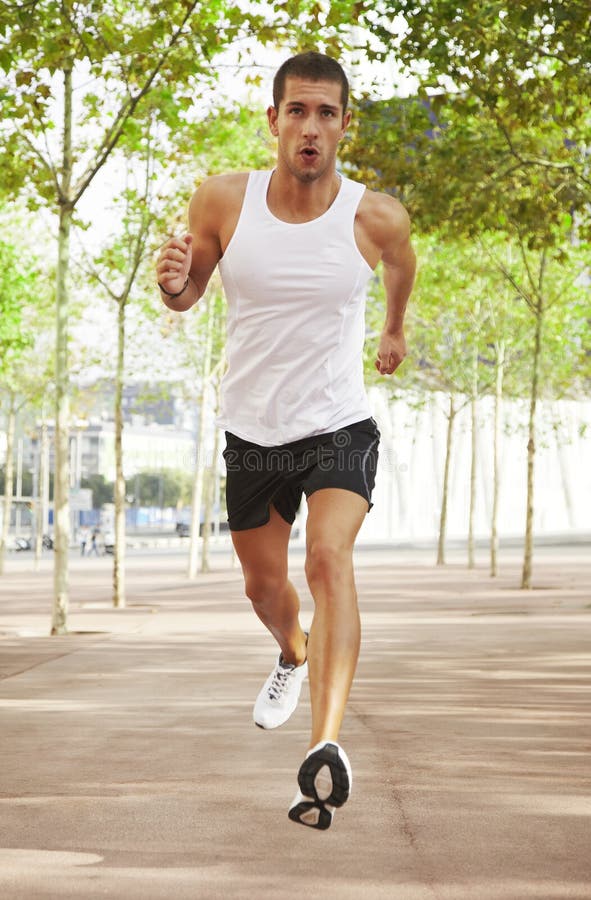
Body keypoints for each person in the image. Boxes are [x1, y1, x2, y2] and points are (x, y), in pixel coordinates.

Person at [156, 51, 416, 830]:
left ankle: (325, 747)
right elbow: (186, 294)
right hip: (253, 430)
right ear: (272, 121)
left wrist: (394, 327)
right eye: (296, 112)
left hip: (337, 422)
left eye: (325, 114)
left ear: (344, 125)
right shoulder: (224, 201)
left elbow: (402, 266)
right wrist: (171, 283)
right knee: (265, 592)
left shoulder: (376, 217)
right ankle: (292, 653)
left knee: (327, 558)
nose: (310, 127)